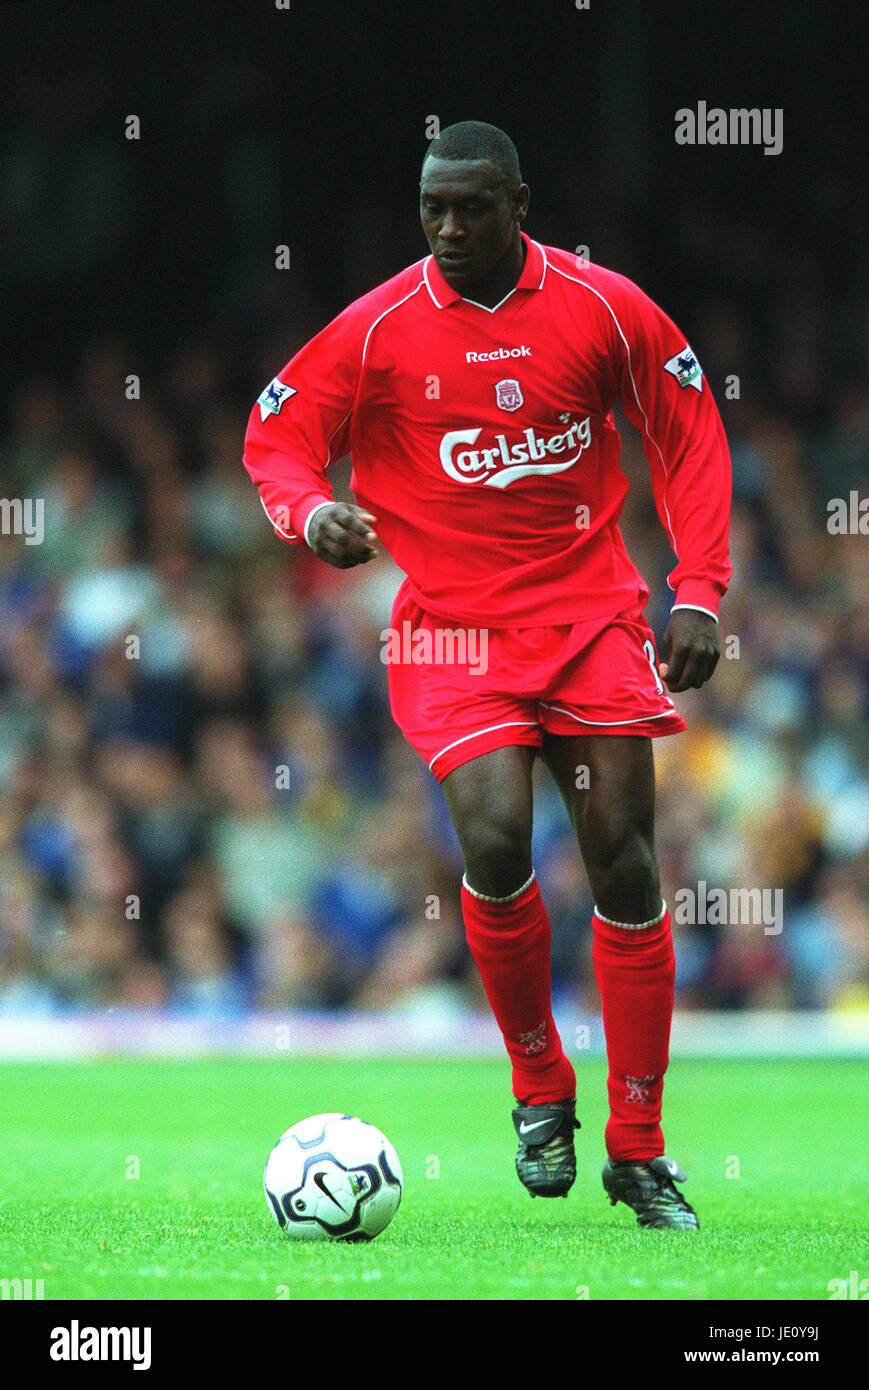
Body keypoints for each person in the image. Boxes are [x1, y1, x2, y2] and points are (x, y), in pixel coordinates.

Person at [243, 121, 731, 1230]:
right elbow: (272, 437)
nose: (448, 229)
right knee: (499, 836)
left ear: (518, 202)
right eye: (431, 210)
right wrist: (307, 509)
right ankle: (536, 1082)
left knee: (622, 860)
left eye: (470, 208)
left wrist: (697, 586)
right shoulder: (375, 330)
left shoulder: (602, 306)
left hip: (590, 620)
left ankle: (639, 1148)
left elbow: (688, 428)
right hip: (451, 636)